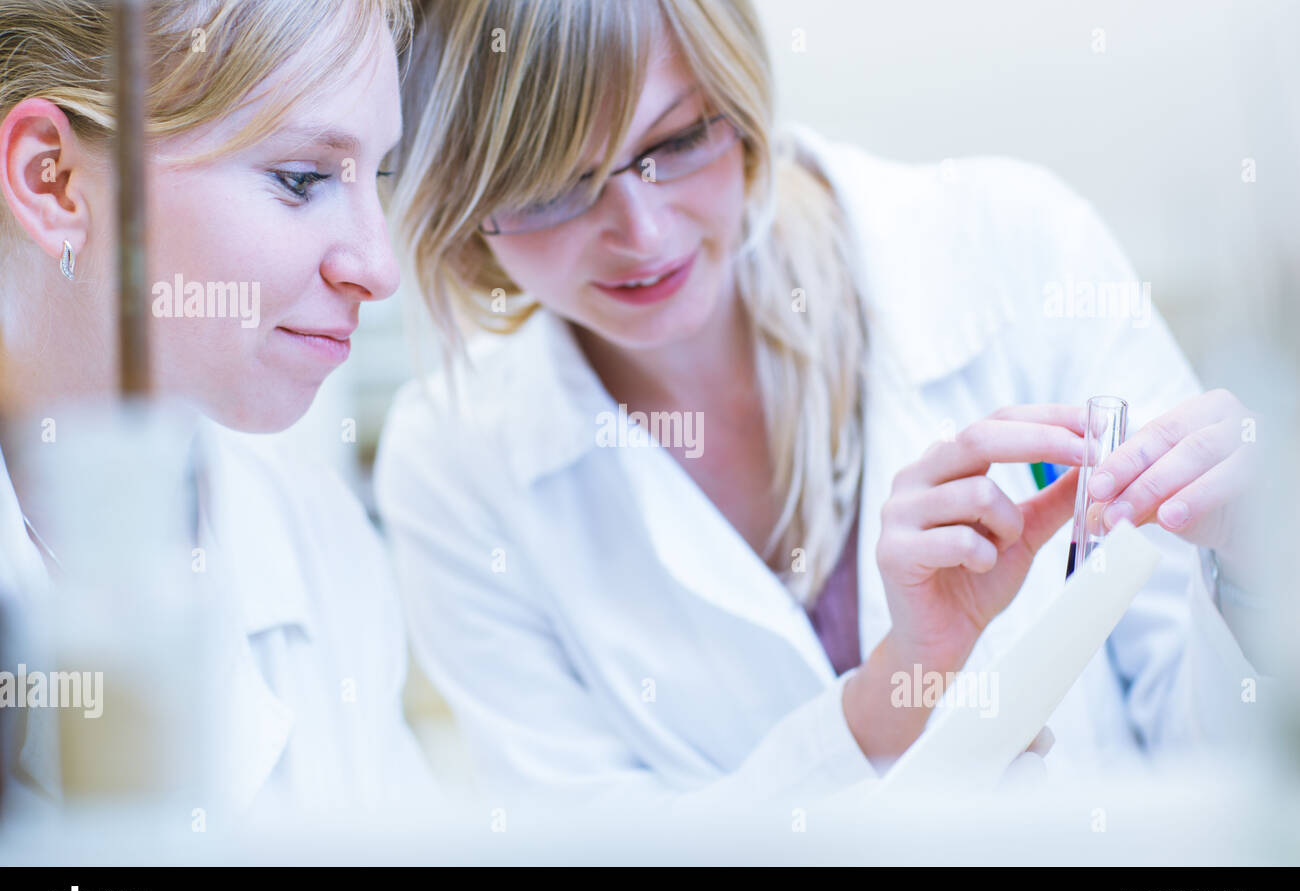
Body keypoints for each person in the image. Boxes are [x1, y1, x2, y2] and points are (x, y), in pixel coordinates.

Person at [375, 0, 1267, 809]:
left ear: (740, 91)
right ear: (458, 205)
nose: (643, 235)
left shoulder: (1016, 252)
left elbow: (1225, 782)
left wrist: (1259, 573)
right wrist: (893, 697)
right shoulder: (453, 468)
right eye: (549, 191)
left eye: (678, 141)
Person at [0, 0, 436, 822]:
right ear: (50, 180)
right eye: (301, 179)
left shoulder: (319, 541)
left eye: (377, 177)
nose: (381, 269)